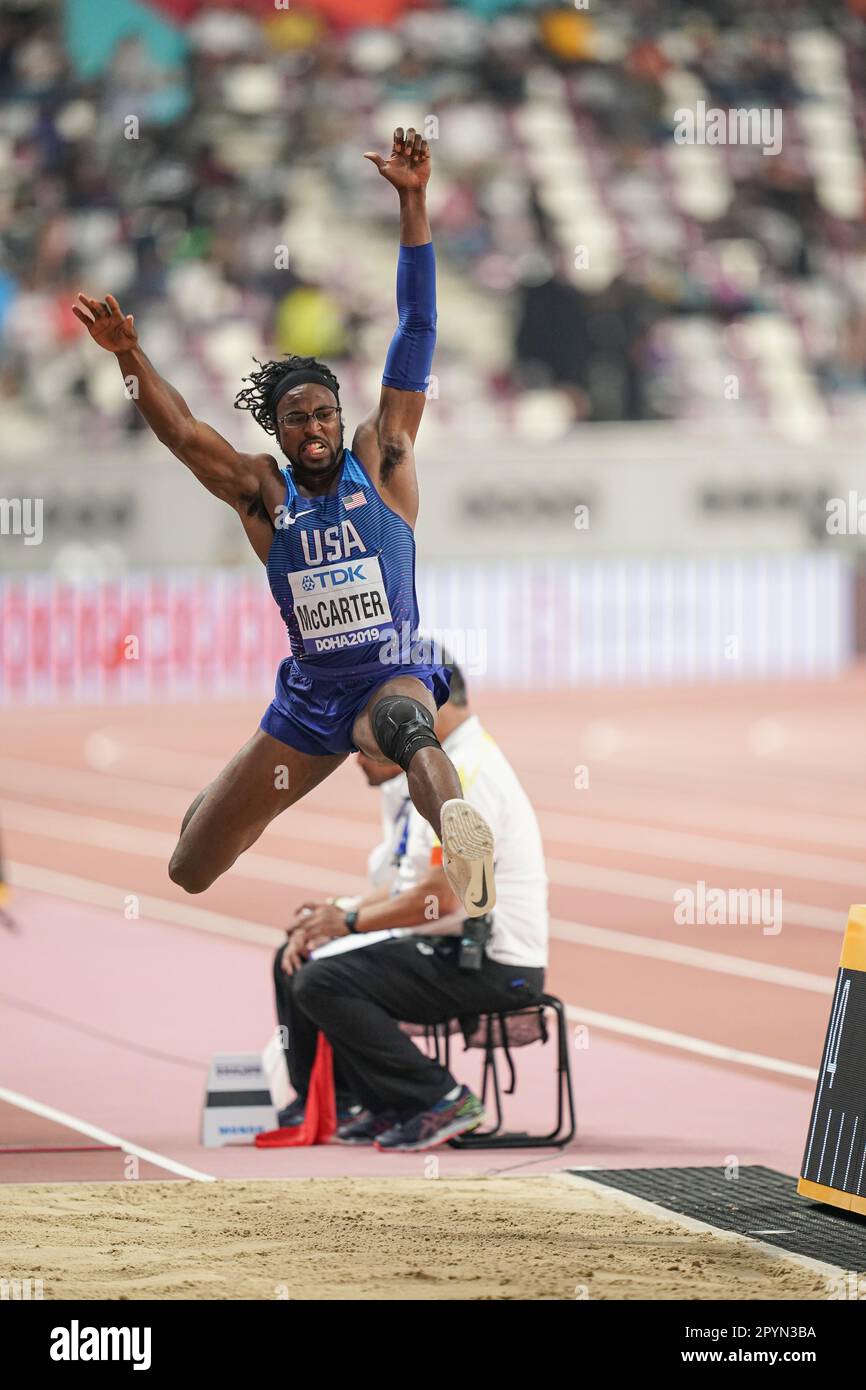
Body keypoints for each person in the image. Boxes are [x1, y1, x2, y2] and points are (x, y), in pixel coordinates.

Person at [72, 127, 495, 921]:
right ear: (278, 431)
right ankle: (220, 800)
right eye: (297, 419)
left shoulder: (384, 458)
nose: (315, 429)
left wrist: (413, 202)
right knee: (190, 867)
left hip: (387, 678)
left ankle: (468, 852)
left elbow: (415, 333)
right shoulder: (261, 492)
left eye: (325, 413)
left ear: (342, 417)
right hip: (307, 702)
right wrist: (128, 356)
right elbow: (182, 435)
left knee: (408, 727)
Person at [278, 660, 549, 1152]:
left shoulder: (469, 775)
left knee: (323, 979)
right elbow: (413, 881)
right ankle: (363, 1104)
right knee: (304, 954)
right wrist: (336, 914)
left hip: (492, 963)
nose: (361, 748)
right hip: (453, 946)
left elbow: (441, 898)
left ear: (428, 705)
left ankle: (438, 1098)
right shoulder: (443, 766)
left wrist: (351, 921)